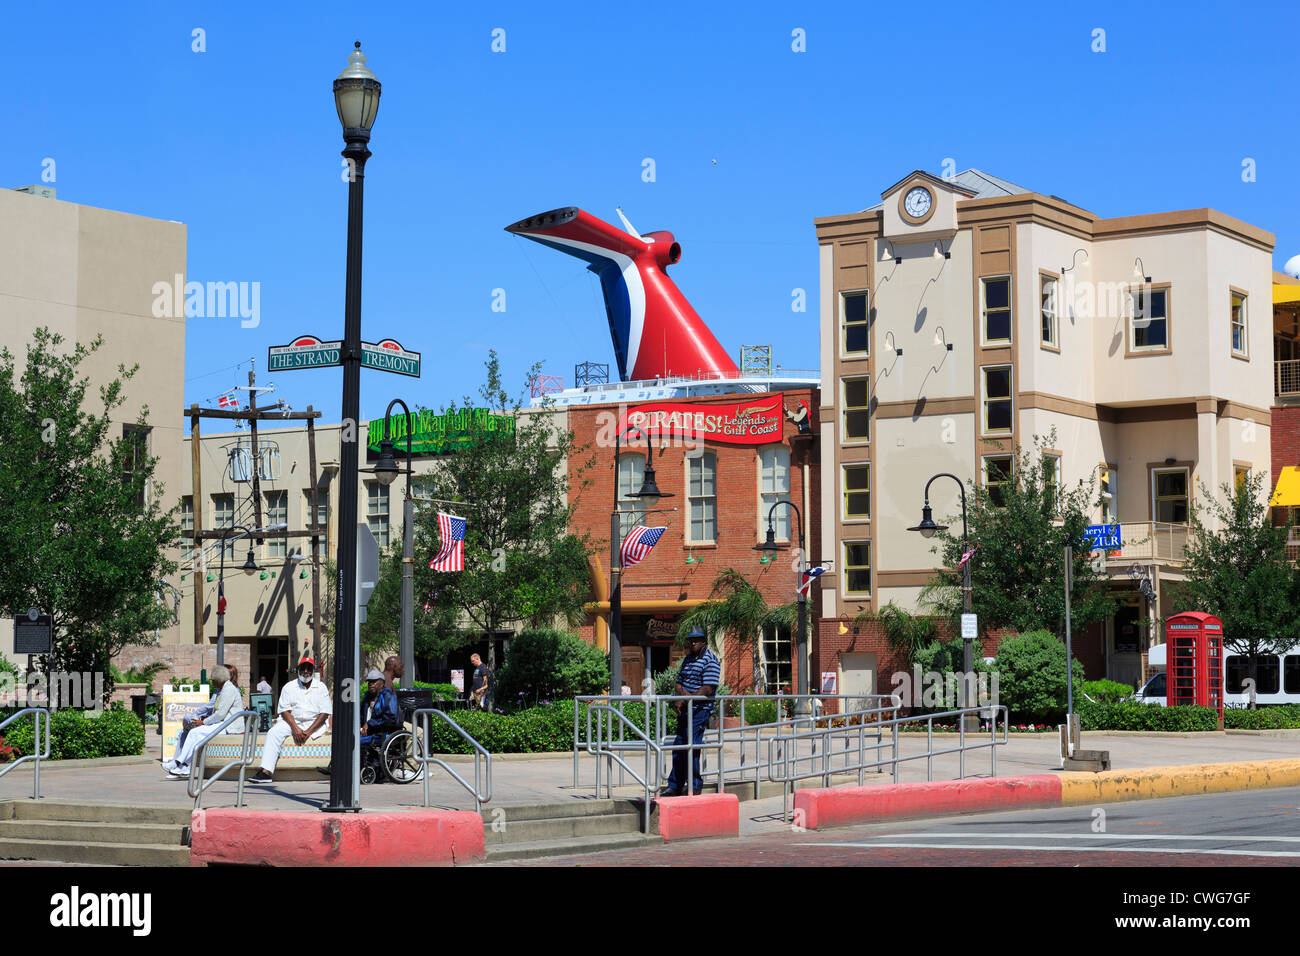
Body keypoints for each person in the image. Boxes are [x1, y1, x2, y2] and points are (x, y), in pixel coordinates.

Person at [249, 656, 331, 783]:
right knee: (273, 732)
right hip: (292, 721)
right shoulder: (289, 687)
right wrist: (295, 729)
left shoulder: (321, 687)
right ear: (298, 670)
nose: (305, 671)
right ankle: (265, 772)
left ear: (313, 670)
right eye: (303, 668)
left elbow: (325, 713)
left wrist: (308, 732)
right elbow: (284, 710)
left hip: (314, 723)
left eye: (309, 668)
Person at [661, 628, 721, 798]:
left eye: (697, 640)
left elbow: (708, 688)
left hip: (700, 710)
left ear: (704, 641)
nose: (693, 643)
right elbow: (678, 683)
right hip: (687, 708)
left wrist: (686, 699)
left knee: (691, 746)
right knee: (679, 745)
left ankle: (694, 785)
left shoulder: (710, 660)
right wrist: (682, 698)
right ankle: (675, 785)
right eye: (691, 640)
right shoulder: (688, 659)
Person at [163, 666, 243, 777]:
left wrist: (203, 722)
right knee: (194, 734)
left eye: (214, 680)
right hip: (223, 723)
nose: (213, 682)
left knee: (195, 732)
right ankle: (183, 765)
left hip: (229, 726)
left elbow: (220, 714)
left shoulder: (228, 690)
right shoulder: (223, 689)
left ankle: (178, 762)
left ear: (219, 679)